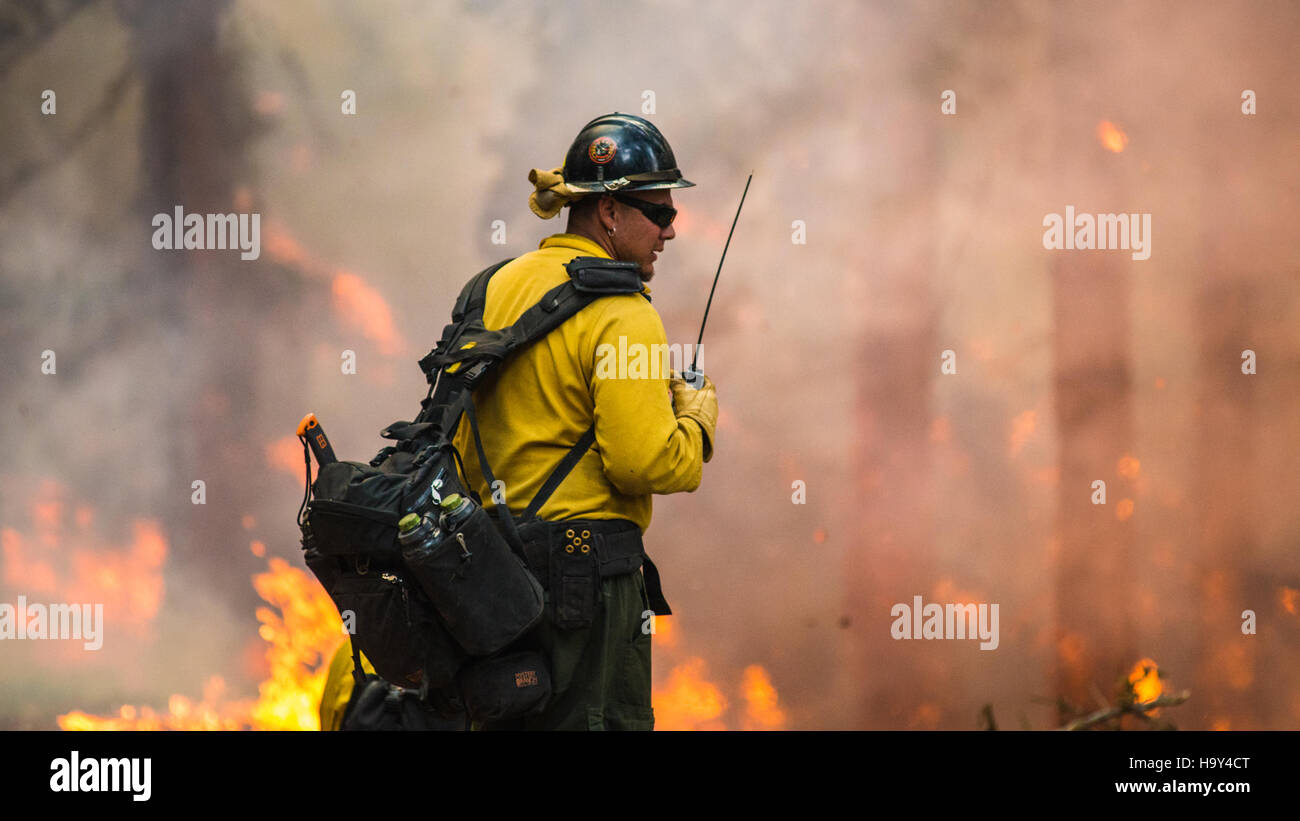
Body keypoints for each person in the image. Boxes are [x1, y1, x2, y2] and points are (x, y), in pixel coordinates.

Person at [455, 112, 718, 730]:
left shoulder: (491, 287)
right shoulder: (625, 313)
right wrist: (697, 420)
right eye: (659, 213)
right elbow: (642, 462)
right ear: (608, 212)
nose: (670, 231)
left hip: (484, 578)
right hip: (584, 583)